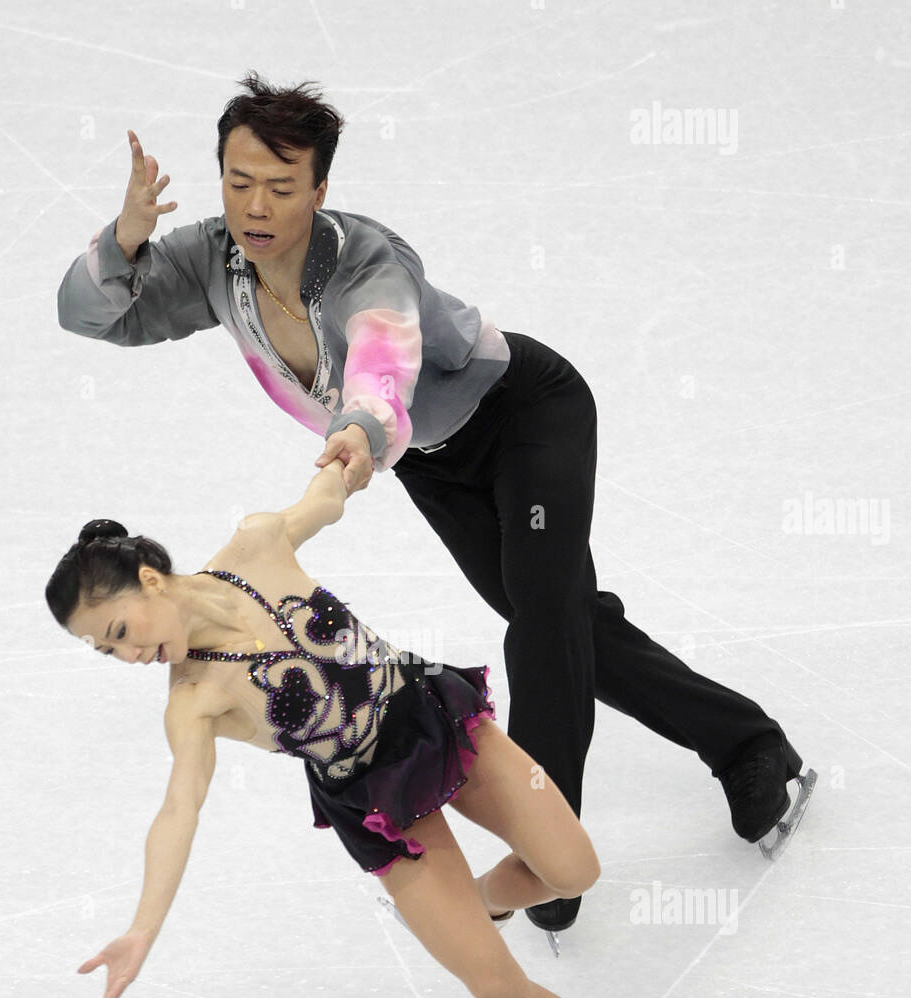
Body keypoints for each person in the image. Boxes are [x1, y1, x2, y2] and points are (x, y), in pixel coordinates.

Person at [56, 72, 814, 935]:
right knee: (567, 619)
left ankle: (546, 844)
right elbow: (94, 317)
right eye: (237, 182)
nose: (255, 206)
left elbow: (382, 358)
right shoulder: (210, 261)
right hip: (428, 464)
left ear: (320, 189)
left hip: (525, 415)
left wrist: (359, 431)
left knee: (540, 611)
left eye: (280, 186)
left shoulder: (366, 260)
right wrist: (126, 237)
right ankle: (749, 744)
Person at [45, 458, 690, 998]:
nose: (125, 656)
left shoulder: (254, 547)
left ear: (150, 580)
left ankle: (480, 900)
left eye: (119, 632)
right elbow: (177, 809)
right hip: (377, 800)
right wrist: (141, 928)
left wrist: (360, 433)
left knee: (573, 872)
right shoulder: (191, 702)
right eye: (105, 652)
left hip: (434, 718)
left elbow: (328, 493)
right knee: (491, 984)